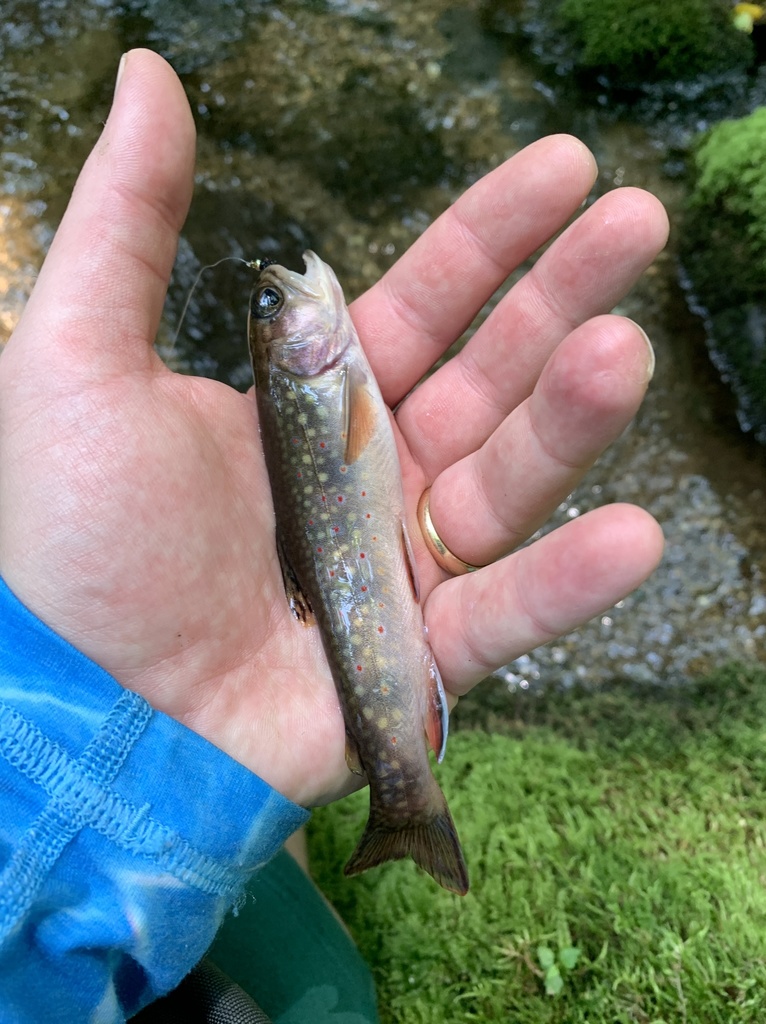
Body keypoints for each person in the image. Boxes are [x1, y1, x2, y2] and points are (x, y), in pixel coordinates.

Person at [0, 49, 668, 1023]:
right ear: (295, 354)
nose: (280, 290)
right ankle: (397, 808)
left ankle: (379, 813)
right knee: (328, 993)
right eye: (271, 307)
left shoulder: (321, 376)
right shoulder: (320, 376)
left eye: (270, 303)